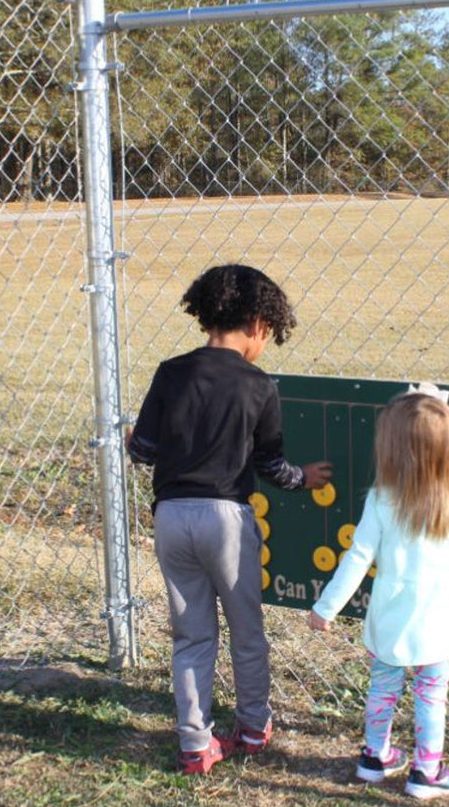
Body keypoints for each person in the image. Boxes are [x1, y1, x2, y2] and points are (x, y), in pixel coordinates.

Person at [128, 264, 332, 775]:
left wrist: (137, 441)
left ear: (207, 315)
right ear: (261, 325)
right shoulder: (258, 385)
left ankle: (195, 743)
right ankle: (252, 727)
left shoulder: (170, 372)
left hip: (171, 518)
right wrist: (303, 479)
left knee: (191, 635)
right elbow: (269, 465)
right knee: (246, 630)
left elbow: (145, 451)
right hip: (227, 519)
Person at [307, 384, 449, 799]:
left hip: (389, 616)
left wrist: (327, 607)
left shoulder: (381, 499)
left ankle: (375, 757)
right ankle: (426, 771)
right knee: (431, 693)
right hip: (435, 620)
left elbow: (358, 556)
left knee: (383, 685)